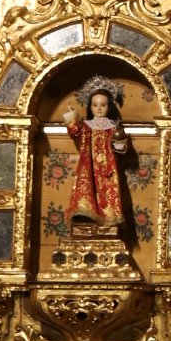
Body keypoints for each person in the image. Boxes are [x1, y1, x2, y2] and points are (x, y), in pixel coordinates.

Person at [62, 80, 131, 235]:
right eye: (95, 105)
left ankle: (108, 224)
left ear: (109, 107)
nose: (99, 108)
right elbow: (74, 131)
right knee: (88, 190)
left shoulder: (113, 126)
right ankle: (86, 222)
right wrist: (72, 117)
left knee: (107, 192)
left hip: (107, 168)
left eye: (103, 105)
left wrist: (119, 142)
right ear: (90, 107)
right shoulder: (86, 126)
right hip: (89, 166)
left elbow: (121, 147)